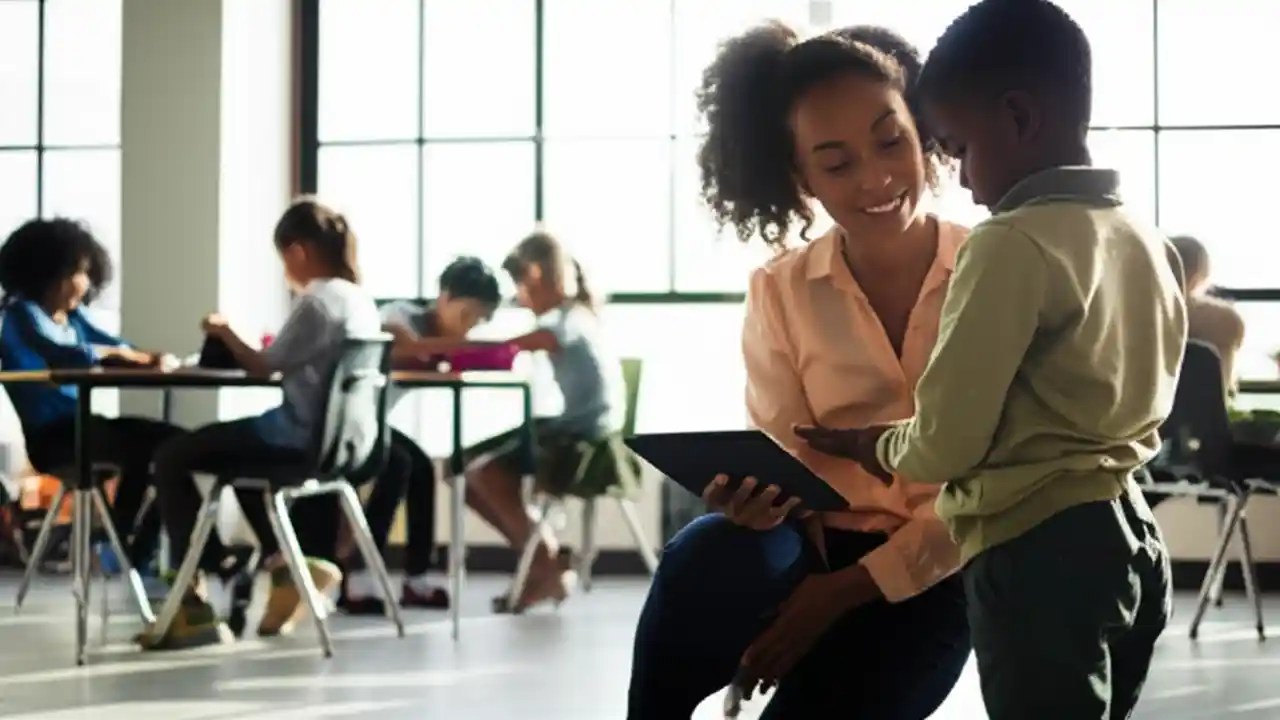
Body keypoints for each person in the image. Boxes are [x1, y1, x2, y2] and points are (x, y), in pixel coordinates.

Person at [798, 2, 1186, 718]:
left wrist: (871, 444)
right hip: (1132, 536)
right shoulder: (1141, 235)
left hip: (1037, 551)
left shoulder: (1008, 243)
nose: (965, 181)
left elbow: (945, 442)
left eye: (958, 147)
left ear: (1018, 117)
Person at [627, 23, 971, 719]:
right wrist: (760, 507)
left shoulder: (994, 273)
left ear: (922, 130)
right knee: (711, 549)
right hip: (815, 548)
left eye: (890, 140)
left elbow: (994, 494)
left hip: (946, 563)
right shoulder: (780, 289)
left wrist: (838, 598)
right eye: (836, 163)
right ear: (801, 179)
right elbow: (788, 460)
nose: (876, 178)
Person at [139, 199, 383, 650]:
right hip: (346, 444)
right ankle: (286, 564)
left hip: (297, 436)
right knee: (244, 469)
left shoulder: (318, 301)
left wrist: (224, 329)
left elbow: (262, 366)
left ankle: (213, 566)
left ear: (297, 251)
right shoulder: (359, 301)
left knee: (171, 455)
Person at [458, 230, 628, 613]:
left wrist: (457, 348)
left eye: (520, 285)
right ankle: (541, 563)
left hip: (585, 440)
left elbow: (528, 343)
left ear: (535, 275)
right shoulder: (578, 314)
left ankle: (543, 563)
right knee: (468, 472)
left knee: (480, 474)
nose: (519, 296)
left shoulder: (569, 319)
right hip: (579, 428)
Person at [0, 218, 182, 572]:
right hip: (55, 440)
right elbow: (65, 354)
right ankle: (121, 543)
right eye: (76, 272)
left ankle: (128, 544)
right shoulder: (20, 316)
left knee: (178, 447)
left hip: (86, 427)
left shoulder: (74, 318)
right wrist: (128, 357)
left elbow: (118, 347)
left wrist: (148, 357)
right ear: (48, 273)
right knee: (151, 449)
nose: (84, 284)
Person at [339, 256, 503, 614]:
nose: (467, 328)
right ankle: (359, 575)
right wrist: (449, 356)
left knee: (421, 468)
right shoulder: (401, 315)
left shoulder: (441, 341)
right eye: (465, 315)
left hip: (372, 422)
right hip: (345, 420)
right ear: (444, 297)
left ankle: (416, 577)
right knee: (397, 463)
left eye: (477, 321)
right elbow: (395, 351)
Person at [1169, 234, 1244, 393]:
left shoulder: (1138, 315)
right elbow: (1225, 385)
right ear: (1200, 276)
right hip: (1204, 412)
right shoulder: (1227, 321)